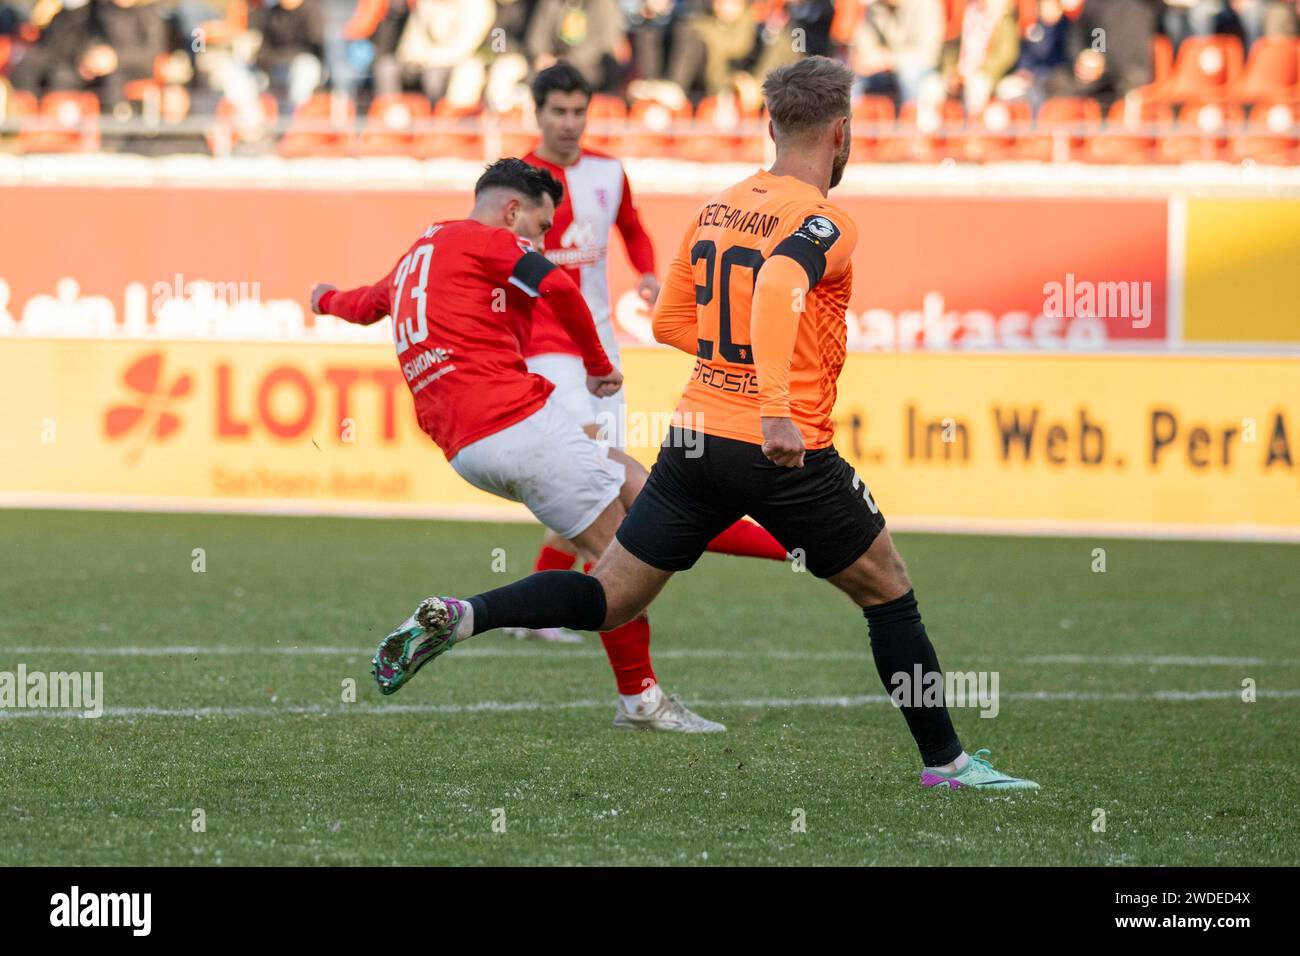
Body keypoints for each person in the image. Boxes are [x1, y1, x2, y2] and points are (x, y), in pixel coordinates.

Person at [374, 56, 1040, 791]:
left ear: (770, 125)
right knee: (888, 590)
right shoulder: (827, 220)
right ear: (841, 133)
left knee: (610, 595)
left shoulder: (718, 206)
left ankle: (466, 615)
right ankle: (946, 764)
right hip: (779, 445)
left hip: (694, 440)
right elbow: (784, 279)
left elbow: (668, 320)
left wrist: (735, 353)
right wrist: (776, 402)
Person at [312, 158, 726, 733]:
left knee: (637, 485)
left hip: (467, 450)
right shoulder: (486, 241)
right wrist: (600, 366)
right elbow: (557, 285)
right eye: (539, 226)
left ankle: (788, 546)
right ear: (512, 210)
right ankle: (635, 698)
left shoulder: (416, 258)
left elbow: (360, 307)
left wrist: (322, 297)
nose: (542, 240)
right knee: (622, 566)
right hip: (516, 423)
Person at [515, 62, 789, 643]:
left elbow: (633, 228)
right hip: (546, 352)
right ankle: (790, 545)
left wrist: (645, 272)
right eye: (556, 112)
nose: (568, 123)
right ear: (536, 114)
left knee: (598, 479)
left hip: (602, 352)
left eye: (577, 111)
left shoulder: (608, 172)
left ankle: (536, 615)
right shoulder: (517, 181)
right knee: (613, 482)